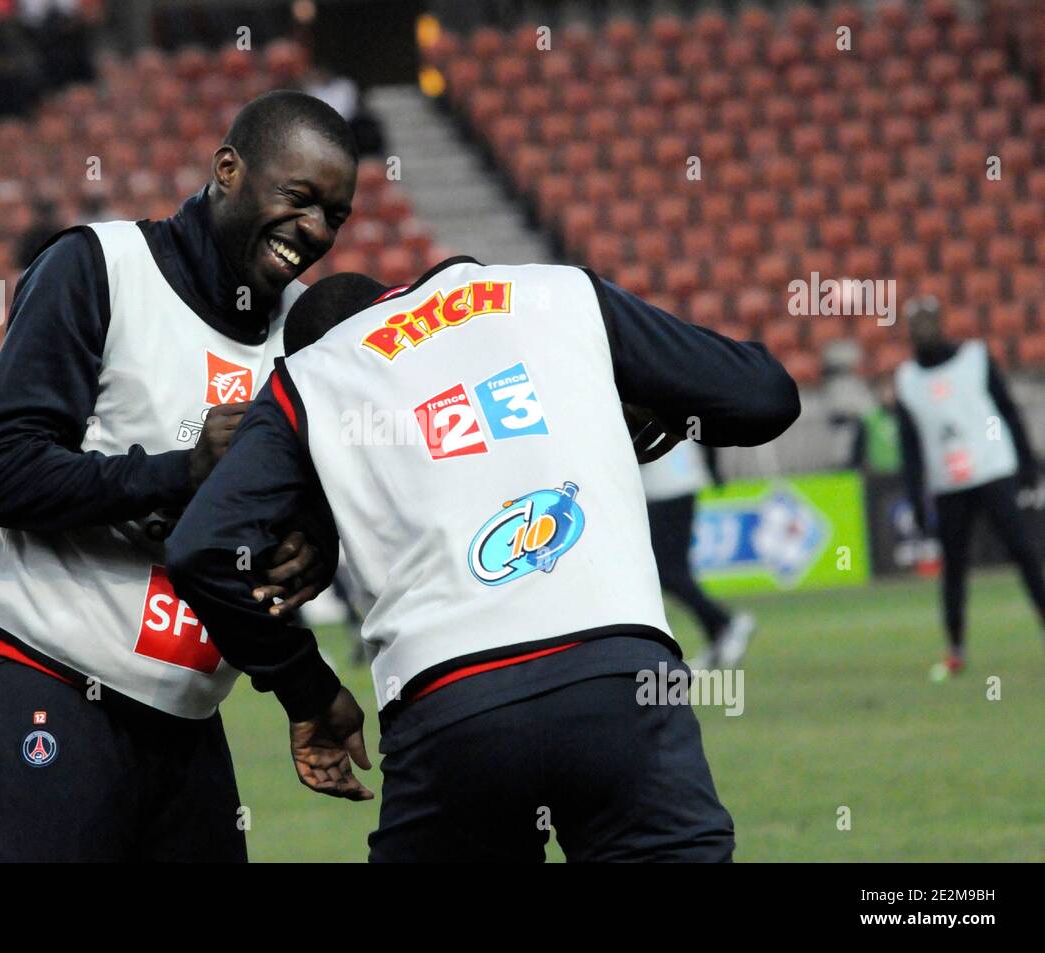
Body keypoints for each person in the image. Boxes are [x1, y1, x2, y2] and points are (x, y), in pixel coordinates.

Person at [167, 258, 801, 861]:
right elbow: (765, 396)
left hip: (449, 710)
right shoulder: (555, 292)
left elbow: (199, 549)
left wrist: (310, 692)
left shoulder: (310, 374)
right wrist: (656, 404)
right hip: (622, 681)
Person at [0, 91, 357, 861]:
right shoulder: (98, 267)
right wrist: (181, 472)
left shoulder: (308, 333)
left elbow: (311, 500)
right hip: (46, 674)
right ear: (228, 170)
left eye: (335, 216)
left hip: (187, 715)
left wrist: (315, 541)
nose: (315, 230)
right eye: (298, 198)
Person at [894, 296, 1045, 681]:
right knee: (954, 570)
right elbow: (909, 446)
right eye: (917, 323)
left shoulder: (975, 358)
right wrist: (915, 495)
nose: (924, 330)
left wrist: (1027, 464)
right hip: (948, 484)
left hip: (993, 468)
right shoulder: (907, 380)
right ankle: (956, 649)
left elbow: (1007, 409)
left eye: (929, 321)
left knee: (1026, 554)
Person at [640, 441, 755, 670]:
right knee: (674, 571)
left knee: (667, 572)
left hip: (666, 487)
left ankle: (724, 622)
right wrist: (713, 469)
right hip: (679, 481)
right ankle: (717, 633)